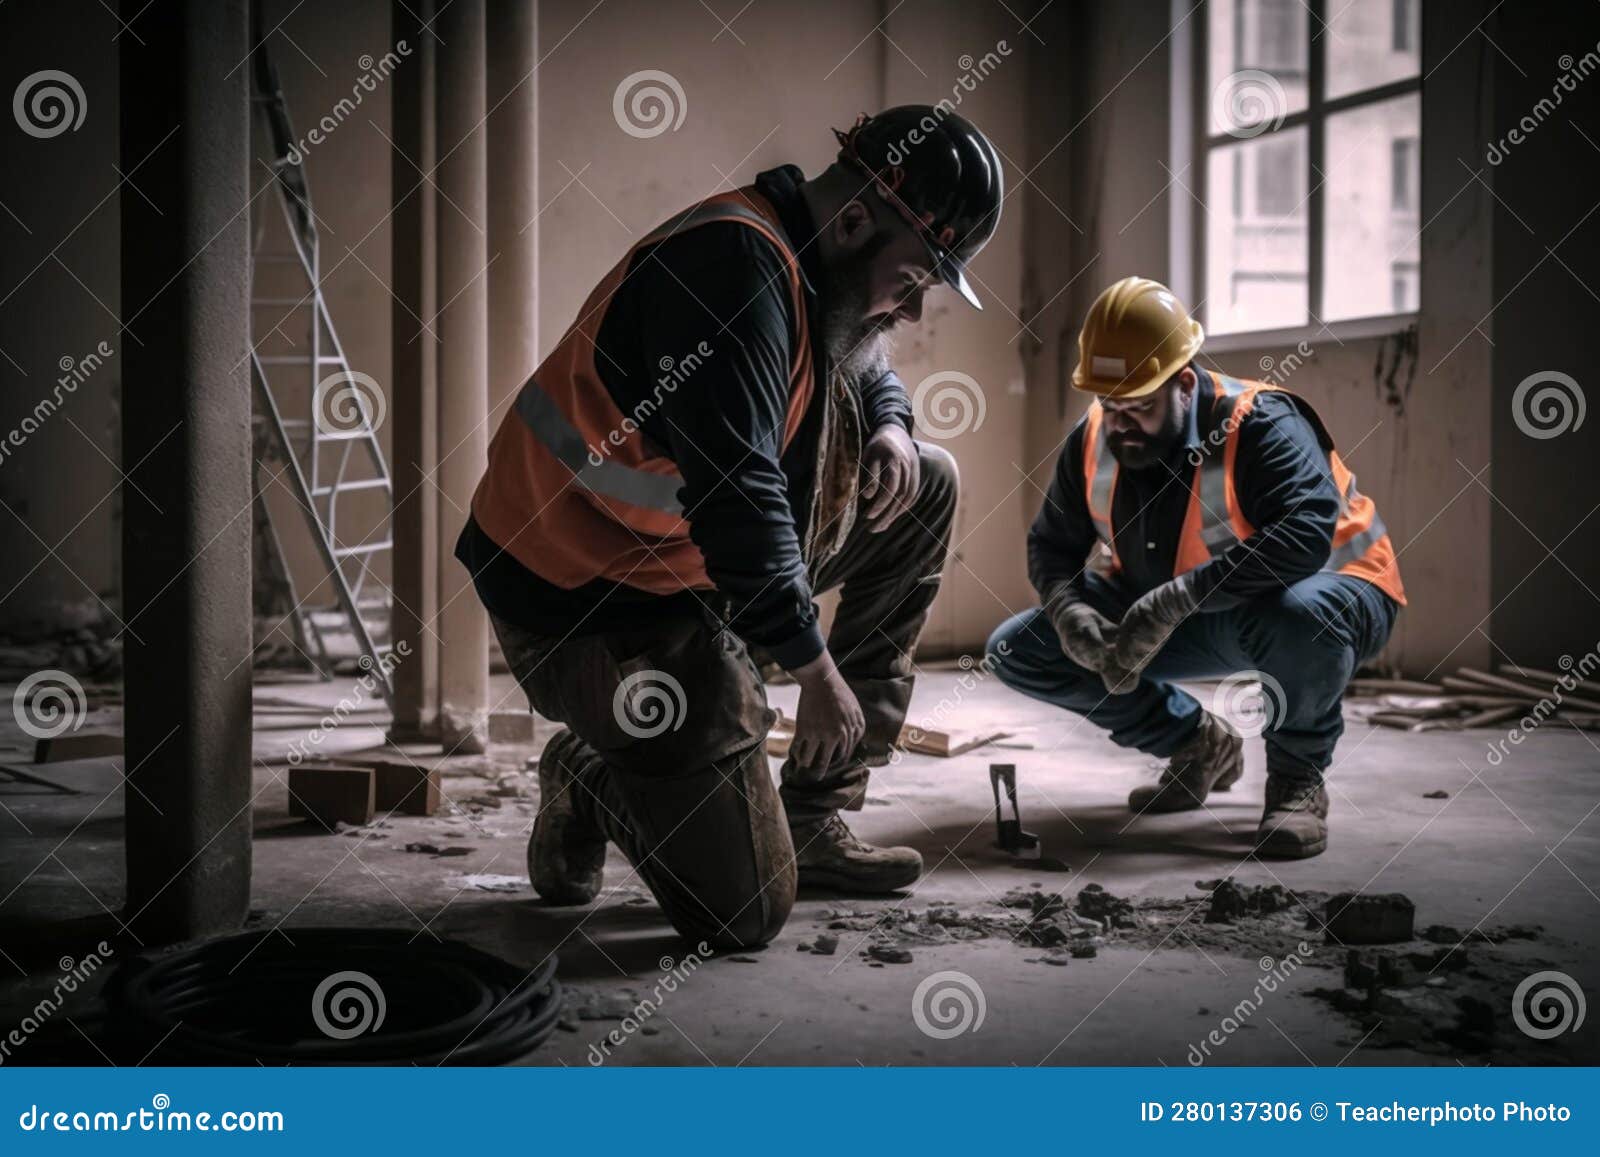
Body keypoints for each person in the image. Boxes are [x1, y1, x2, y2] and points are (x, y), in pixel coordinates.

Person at [458, 107, 1004, 948]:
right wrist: (813, 669)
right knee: (741, 911)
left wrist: (892, 424)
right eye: (913, 278)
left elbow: (864, 359)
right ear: (855, 221)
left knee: (926, 480)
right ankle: (587, 777)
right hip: (585, 603)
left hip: (688, 566)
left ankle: (815, 815)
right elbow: (738, 500)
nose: (912, 307)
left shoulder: (816, 263)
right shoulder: (731, 273)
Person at [988, 277, 1405, 859]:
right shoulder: (1095, 436)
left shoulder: (1260, 424)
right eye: (1111, 406)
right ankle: (1198, 743)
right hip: (1196, 616)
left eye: (1141, 406)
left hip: (1330, 603)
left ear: (1183, 384)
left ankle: (1297, 780)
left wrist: (1175, 600)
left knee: (1300, 617)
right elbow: (1051, 546)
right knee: (1016, 648)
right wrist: (1067, 611)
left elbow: (1305, 536)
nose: (1121, 424)